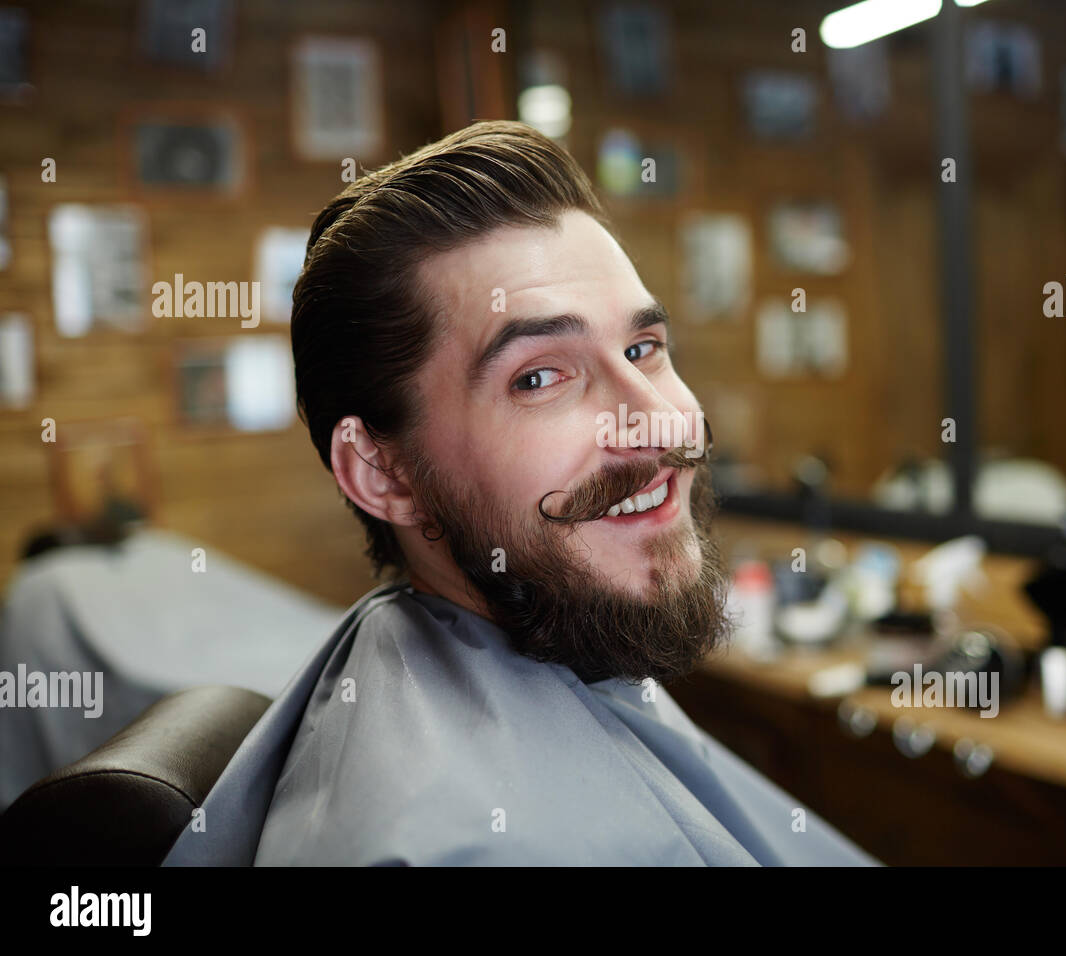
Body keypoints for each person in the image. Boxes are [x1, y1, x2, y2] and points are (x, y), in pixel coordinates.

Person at [165, 120, 878, 866]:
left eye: (643, 349)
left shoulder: (566, 636)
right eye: (539, 377)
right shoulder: (446, 845)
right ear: (382, 471)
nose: (660, 421)